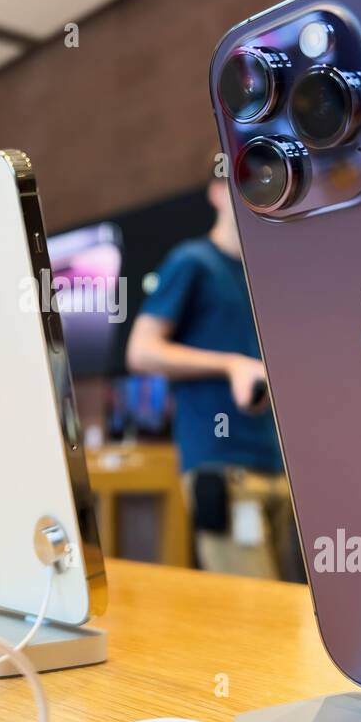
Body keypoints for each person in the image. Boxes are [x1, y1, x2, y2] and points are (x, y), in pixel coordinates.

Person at [126, 168, 302, 580]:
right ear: (216, 192)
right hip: (223, 468)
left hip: (276, 467)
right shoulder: (193, 262)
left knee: (283, 612)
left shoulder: (263, 277)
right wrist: (230, 364)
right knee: (250, 608)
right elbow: (141, 350)